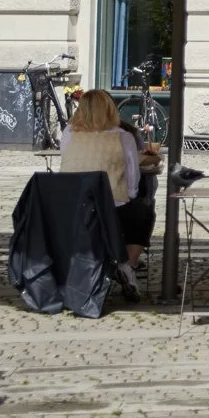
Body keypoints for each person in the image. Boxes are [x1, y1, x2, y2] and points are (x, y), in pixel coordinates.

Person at [59, 89, 148, 301]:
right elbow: (132, 185)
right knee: (142, 213)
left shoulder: (69, 133)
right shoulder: (123, 137)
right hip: (111, 209)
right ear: (110, 110)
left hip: (71, 207)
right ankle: (128, 265)